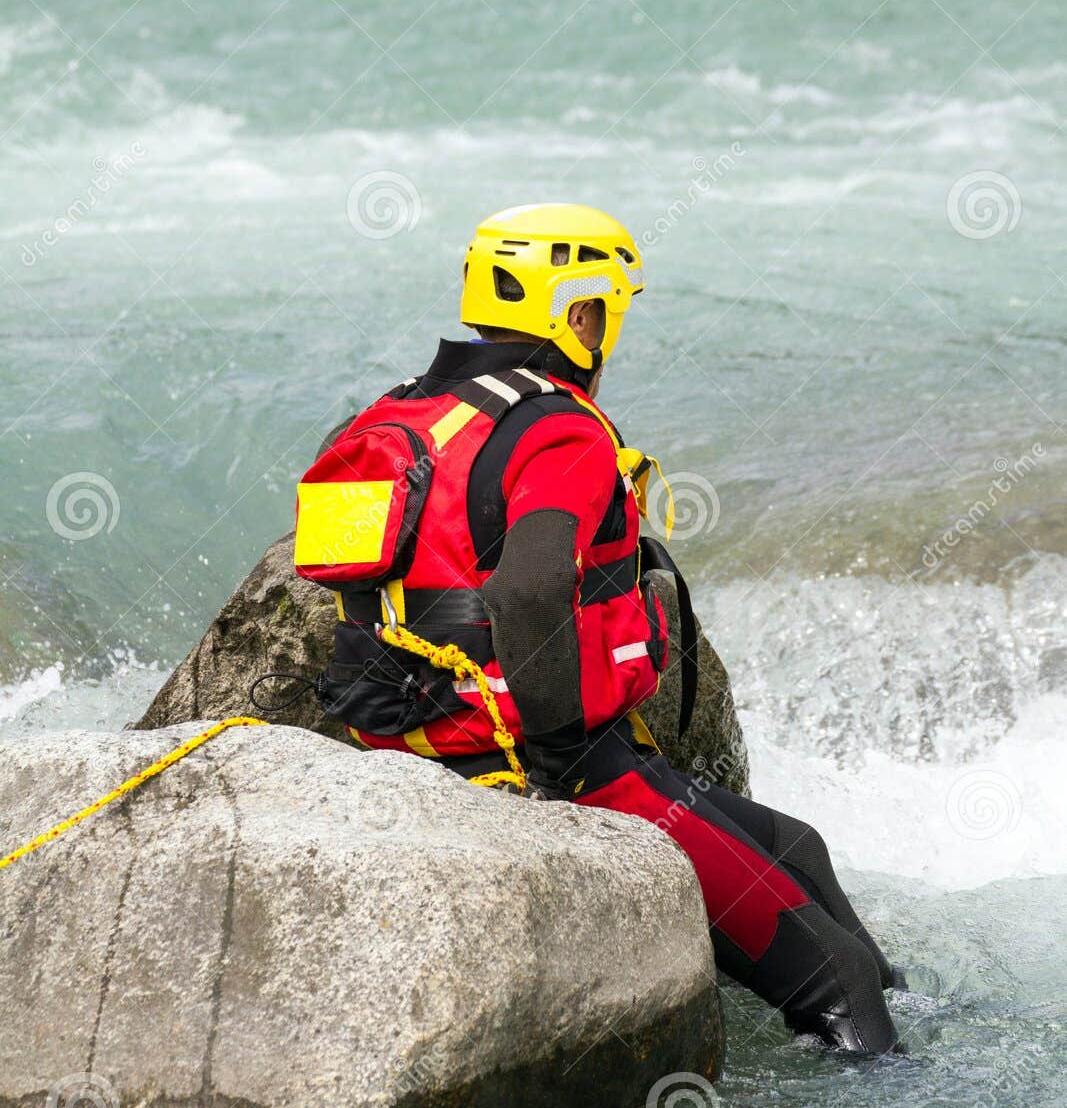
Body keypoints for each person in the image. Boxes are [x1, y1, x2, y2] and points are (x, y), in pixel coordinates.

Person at [293, 203, 904, 1055]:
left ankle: (916, 1024)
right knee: (833, 977)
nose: (607, 335)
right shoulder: (559, 427)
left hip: (411, 741)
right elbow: (528, 594)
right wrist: (553, 769)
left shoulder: (386, 418)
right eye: (605, 313)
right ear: (575, 313)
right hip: (558, 765)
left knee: (800, 845)